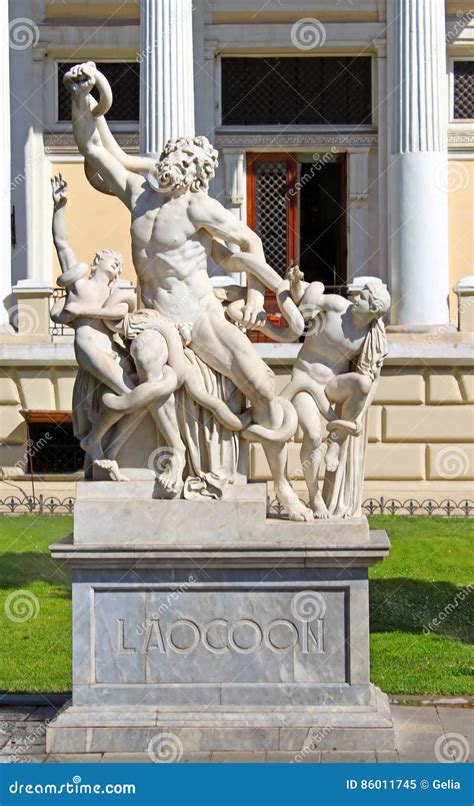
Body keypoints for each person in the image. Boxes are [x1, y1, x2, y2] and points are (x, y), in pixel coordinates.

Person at [62, 62, 311, 520]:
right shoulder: (138, 192)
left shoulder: (199, 205)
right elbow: (94, 148)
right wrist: (80, 97)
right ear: (168, 156)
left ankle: (283, 487)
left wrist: (256, 298)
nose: (182, 165)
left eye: (192, 164)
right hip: (154, 319)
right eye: (179, 156)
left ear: (199, 176)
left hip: (199, 315)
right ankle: (155, 453)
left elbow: (249, 243)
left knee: (262, 385)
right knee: (156, 371)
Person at [281, 269, 391, 518]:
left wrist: (358, 417)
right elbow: (303, 300)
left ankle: (338, 442)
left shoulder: (369, 337)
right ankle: (314, 495)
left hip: (332, 385)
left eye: (362, 299)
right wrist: (297, 283)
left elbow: (371, 380)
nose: (355, 299)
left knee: (361, 384)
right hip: (304, 380)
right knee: (313, 435)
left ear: (372, 311)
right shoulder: (336, 306)